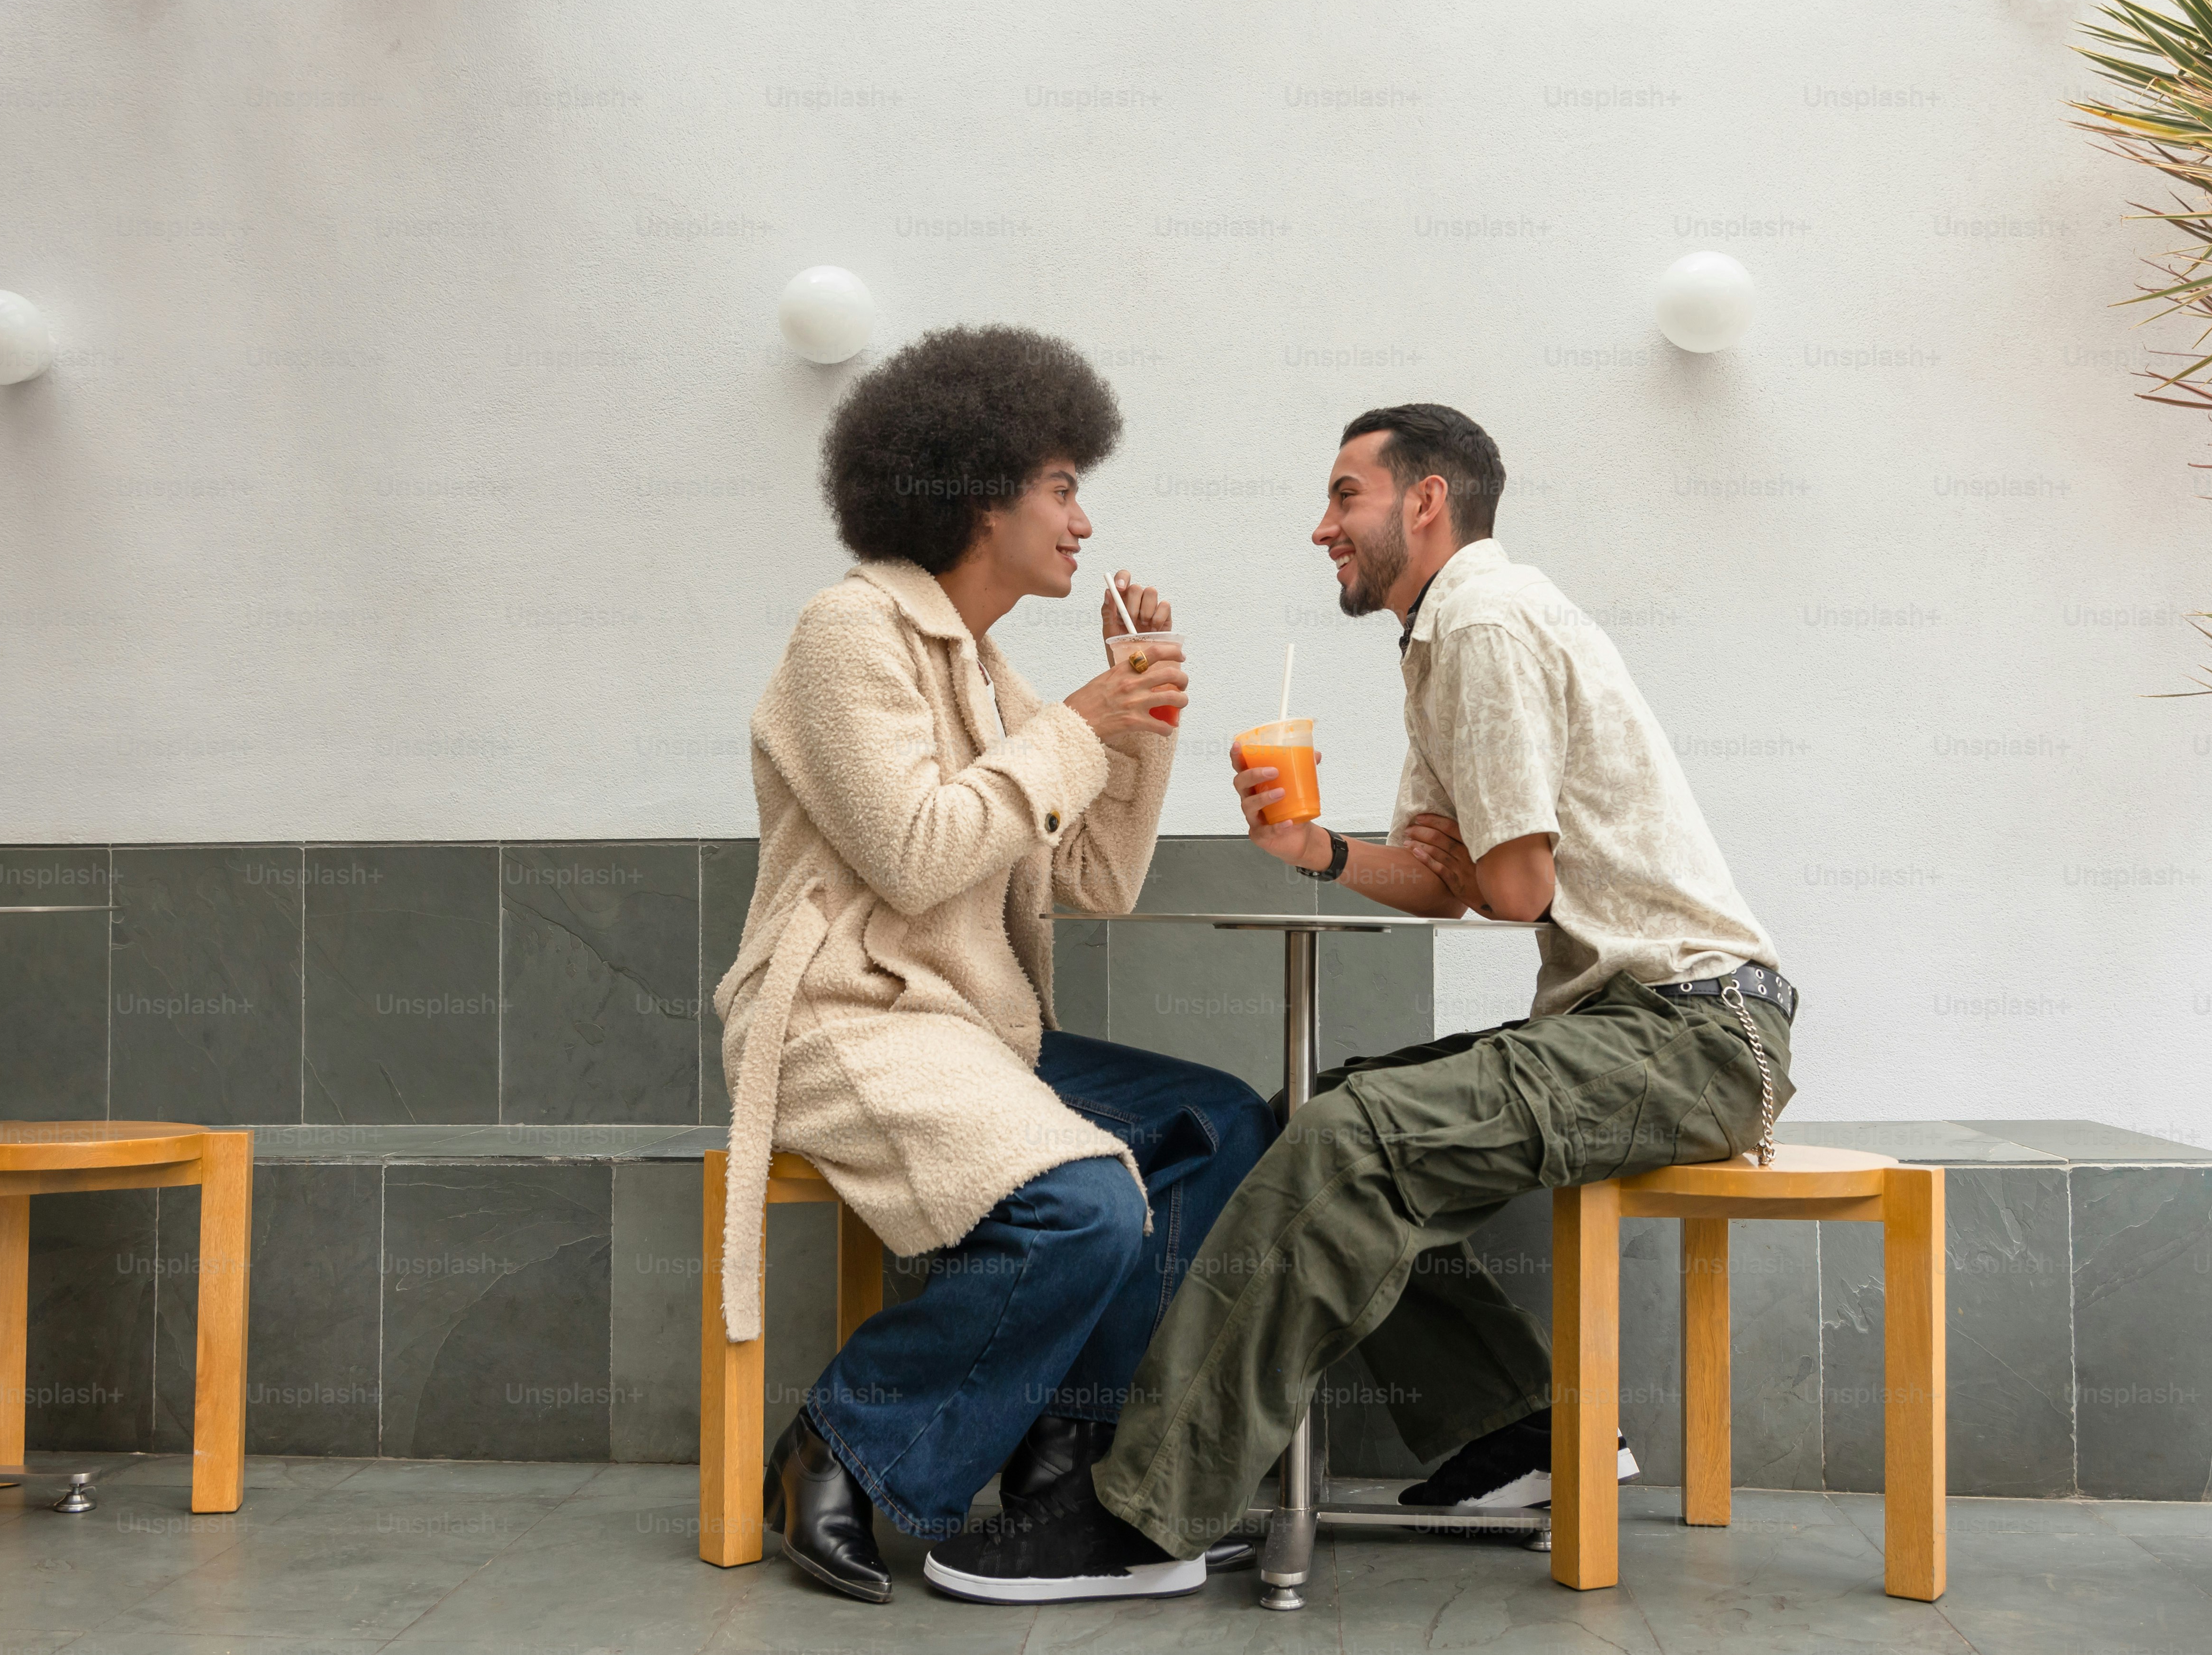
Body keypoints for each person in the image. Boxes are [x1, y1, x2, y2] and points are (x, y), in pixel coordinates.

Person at [923, 402, 1797, 1603]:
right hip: (1626, 1028)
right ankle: (1520, 1431)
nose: (1322, 526)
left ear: (1425, 499)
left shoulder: (1485, 619)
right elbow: (1450, 879)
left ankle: (1145, 1512)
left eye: (1346, 496)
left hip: (1697, 1032)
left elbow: (1516, 882)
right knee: (1314, 1109)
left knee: (1352, 1140)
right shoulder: (1439, 638)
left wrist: (1461, 859)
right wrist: (1314, 844)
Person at [714, 324, 1278, 1605]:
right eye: (1062, 483)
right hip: (840, 1022)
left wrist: (1130, 724)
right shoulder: (847, 634)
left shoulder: (985, 670)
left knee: (1214, 1121)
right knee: (1083, 1202)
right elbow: (918, 853)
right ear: (980, 490)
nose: (1081, 520)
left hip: (965, 1031)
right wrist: (1078, 725)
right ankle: (841, 1448)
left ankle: (1066, 1455)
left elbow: (1090, 879)